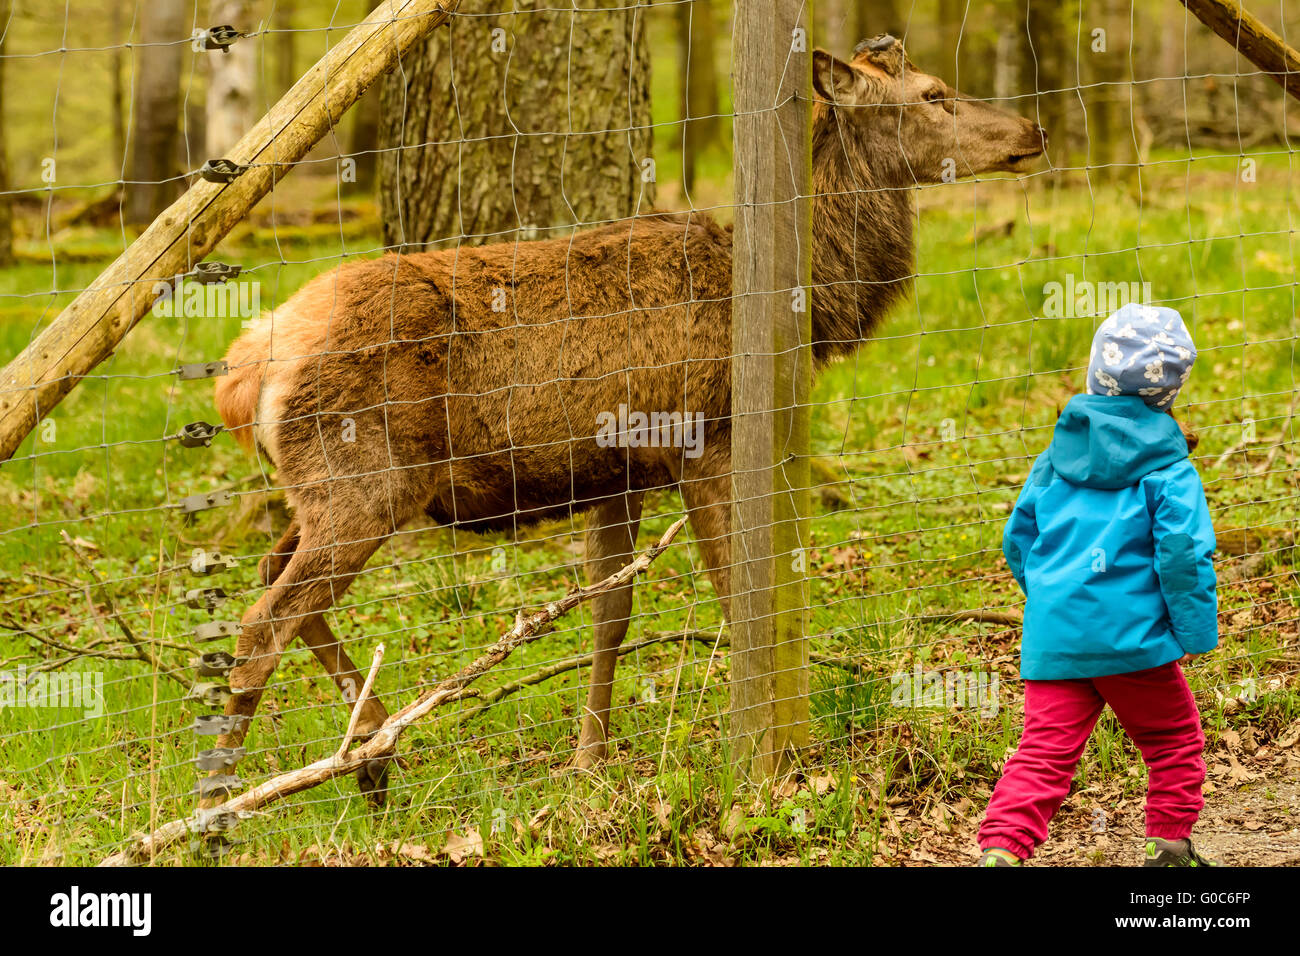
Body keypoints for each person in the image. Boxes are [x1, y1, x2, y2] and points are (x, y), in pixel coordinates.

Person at [977, 303, 1219, 867]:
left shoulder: (1054, 459)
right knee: (1173, 741)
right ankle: (1170, 851)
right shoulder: (1170, 470)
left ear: (1095, 376)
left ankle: (1001, 853)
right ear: (1169, 394)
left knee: (1041, 754)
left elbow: (1019, 538)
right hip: (1134, 645)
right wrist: (1193, 632)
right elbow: (1184, 555)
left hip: (1057, 638)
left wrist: (1052, 599)